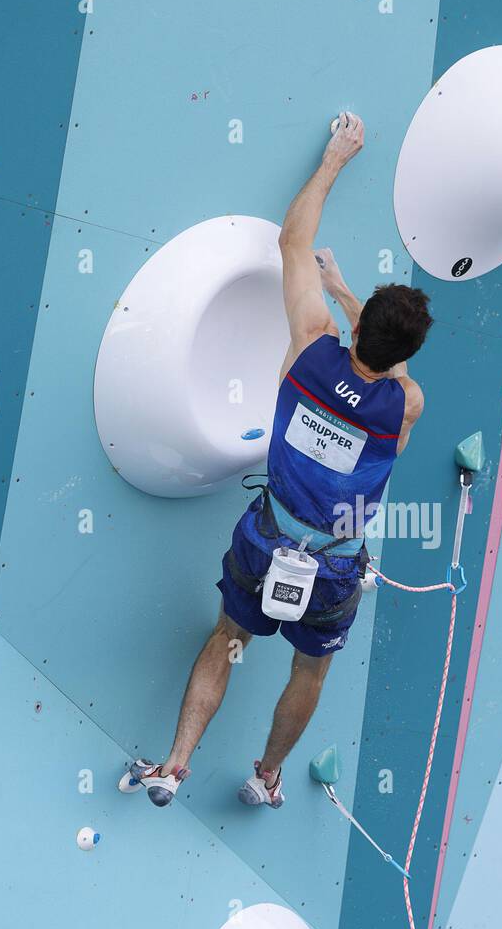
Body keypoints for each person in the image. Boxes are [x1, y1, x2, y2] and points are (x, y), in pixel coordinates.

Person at [120, 113, 433, 810]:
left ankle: (174, 765)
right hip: (334, 566)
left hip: (268, 540)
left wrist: (334, 162)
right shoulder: (404, 407)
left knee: (229, 637)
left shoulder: (311, 344)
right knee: (309, 672)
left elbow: (295, 239)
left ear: (355, 327)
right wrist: (361, 304)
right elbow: (395, 368)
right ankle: (265, 776)